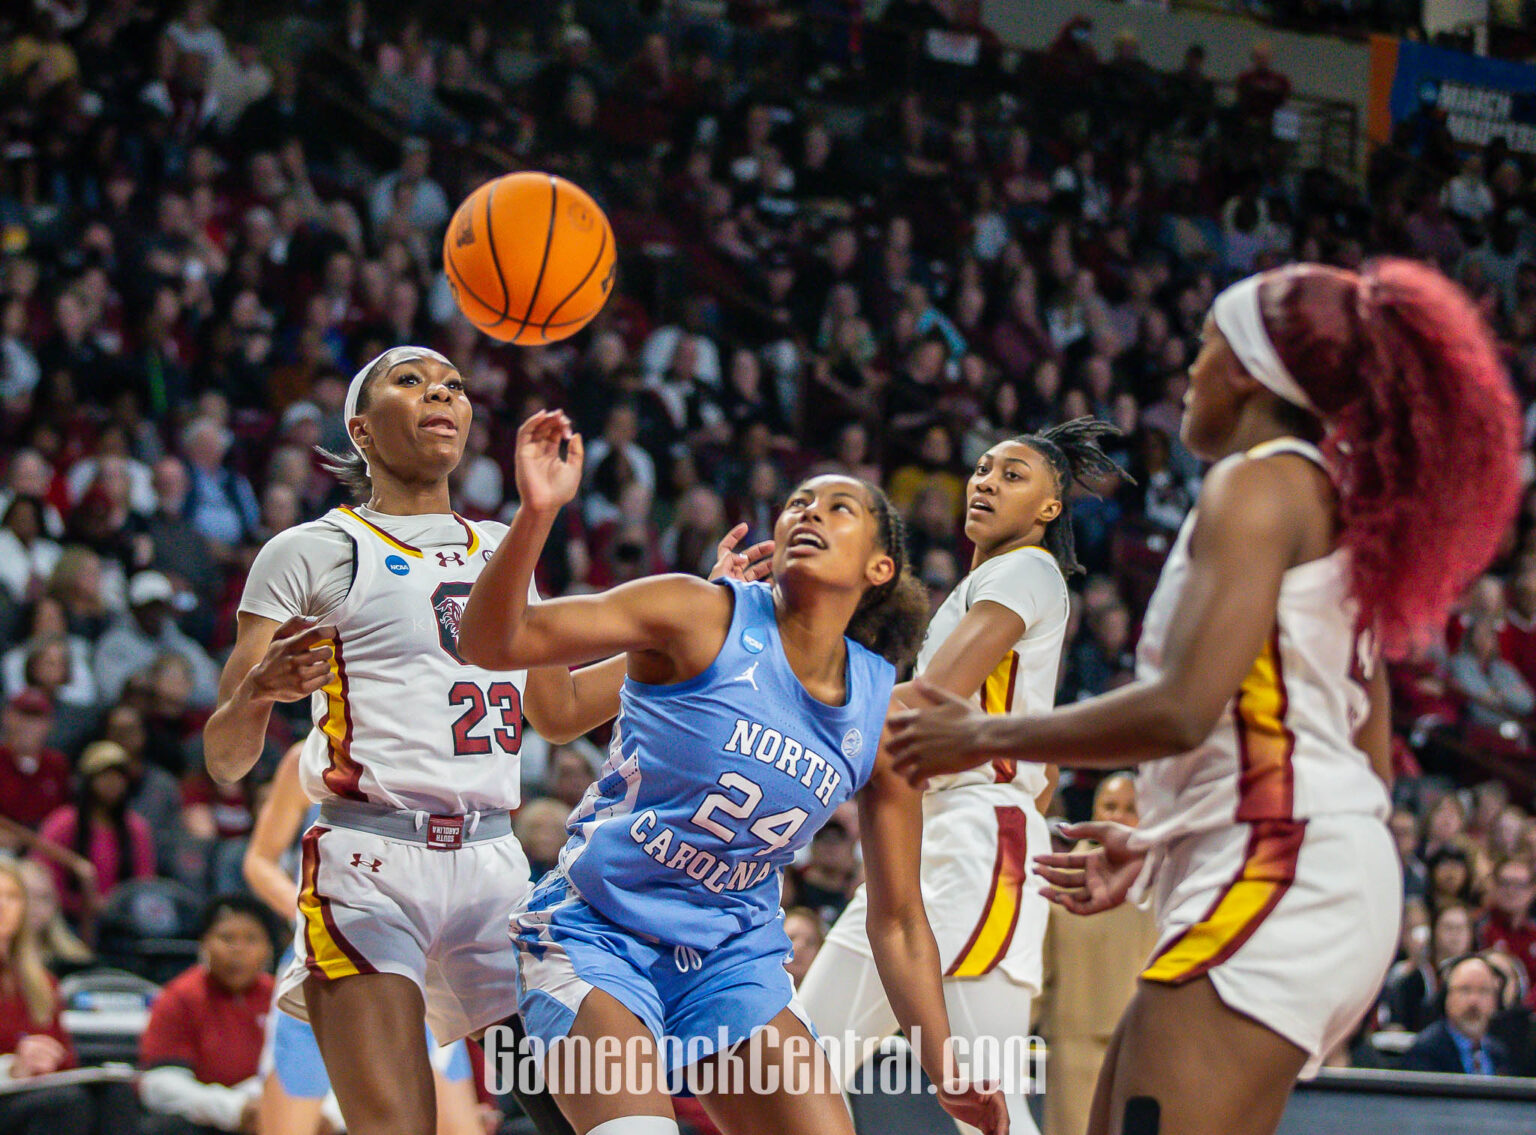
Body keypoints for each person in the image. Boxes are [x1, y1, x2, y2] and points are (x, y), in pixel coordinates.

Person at [890, 260, 1521, 1135]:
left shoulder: (1259, 482)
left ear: (1252, 370)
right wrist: (1159, 841)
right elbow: (1354, 754)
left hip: (1283, 868)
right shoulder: (1331, 507)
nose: (1187, 369)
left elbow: (1183, 706)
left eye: (1205, 346)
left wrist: (982, 730)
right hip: (1304, 864)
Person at [203, 347, 767, 1135]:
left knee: (570, 1114)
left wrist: (690, 628)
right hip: (371, 865)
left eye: (453, 385)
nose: (440, 391)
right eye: (410, 380)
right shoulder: (311, 550)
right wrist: (259, 692)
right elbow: (224, 758)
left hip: (495, 870)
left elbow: (561, 709)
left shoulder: (501, 545)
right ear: (360, 430)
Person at [458, 410, 1006, 1135]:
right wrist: (537, 514)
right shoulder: (698, 611)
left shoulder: (881, 711)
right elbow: (496, 642)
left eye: (840, 507)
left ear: (879, 568)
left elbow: (900, 918)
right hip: (599, 928)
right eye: (799, 503)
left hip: (730, 955)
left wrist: (944, 1064)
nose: (810, 511)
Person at [801, 419, 1126, 1135]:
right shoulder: (988, 582)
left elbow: (939, 695)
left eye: (1013, 475)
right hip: (939, 832)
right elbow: (1035, 769)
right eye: (982, 468)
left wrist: (793, 704)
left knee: (990, 1108)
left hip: (978, 839)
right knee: (799, 1066)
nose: (985, 481)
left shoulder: (1029, 568)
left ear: (1050, 509)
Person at [242, 744, 483, 1135]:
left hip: (419, 963)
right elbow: (259, 861)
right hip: (323, 957)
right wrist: (312, 910)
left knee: (458, 1128)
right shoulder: (309, 755)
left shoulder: (439, 750)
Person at [1036, 774, 1159, 1135]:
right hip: (1072, 1043)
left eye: (1130, 809)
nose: (1118, 817)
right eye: (1109, 806)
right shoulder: (1059, 881)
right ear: (1093, 811)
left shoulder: (1164, 882)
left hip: (1145, 1045)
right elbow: (1039, 970)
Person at [138, 895, 275, 1134]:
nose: (238, 950)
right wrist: (233, 1109)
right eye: (227, 938)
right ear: (204, 944)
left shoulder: (283, 997)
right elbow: (159, 1085)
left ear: (269, 950)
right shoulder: (180, 996)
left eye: (251, 939)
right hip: (208, 1121)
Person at [0, 860, 93, 1135]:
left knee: (113, 1094)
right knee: (66, 1103)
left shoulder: (42, 983)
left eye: (12, 897)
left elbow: (66, 1062)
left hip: (35, 1096)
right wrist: (13, 1068)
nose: (3, 906)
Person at [37, 740, 156, 919]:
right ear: (88, 780)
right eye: (104, 775)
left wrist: (114, 907)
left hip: (123, 921)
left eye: (119, 776)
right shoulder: (62, 823)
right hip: (66, 918)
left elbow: (144, 881)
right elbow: (45, 876)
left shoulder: (136, 828)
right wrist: (81, 905)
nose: (113, 783)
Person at [1401, 955, 1511, 1075]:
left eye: (1483, 991)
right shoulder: (1425, 1051)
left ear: (1495, 1001)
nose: (1473, 1001)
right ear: (1447, 997)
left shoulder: (1499, 1054)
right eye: (1465, 990)